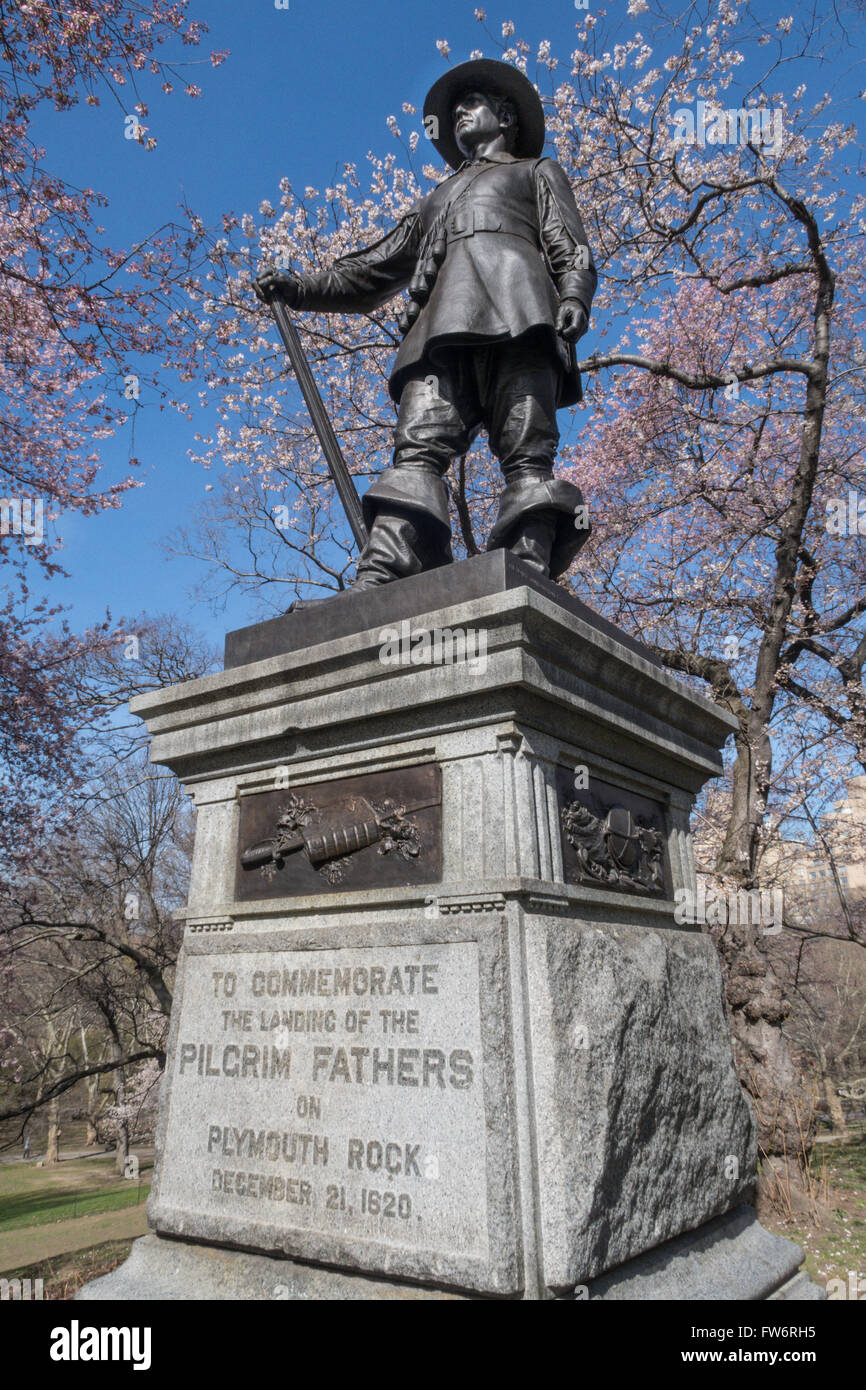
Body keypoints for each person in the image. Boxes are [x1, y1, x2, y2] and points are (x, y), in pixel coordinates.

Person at [255, 58, 597, 591]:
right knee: (417, 445)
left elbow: (569, 247)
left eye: (473, 103)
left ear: (505, 116)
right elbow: (374, 268)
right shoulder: (435, 199)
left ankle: (528, 568)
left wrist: (574, 293)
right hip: (442, 329)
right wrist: (301, 289)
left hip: (523, 314)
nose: (459, 113)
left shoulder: (535, 172)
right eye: (455, 110)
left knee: (528, 448)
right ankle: (390, 567)